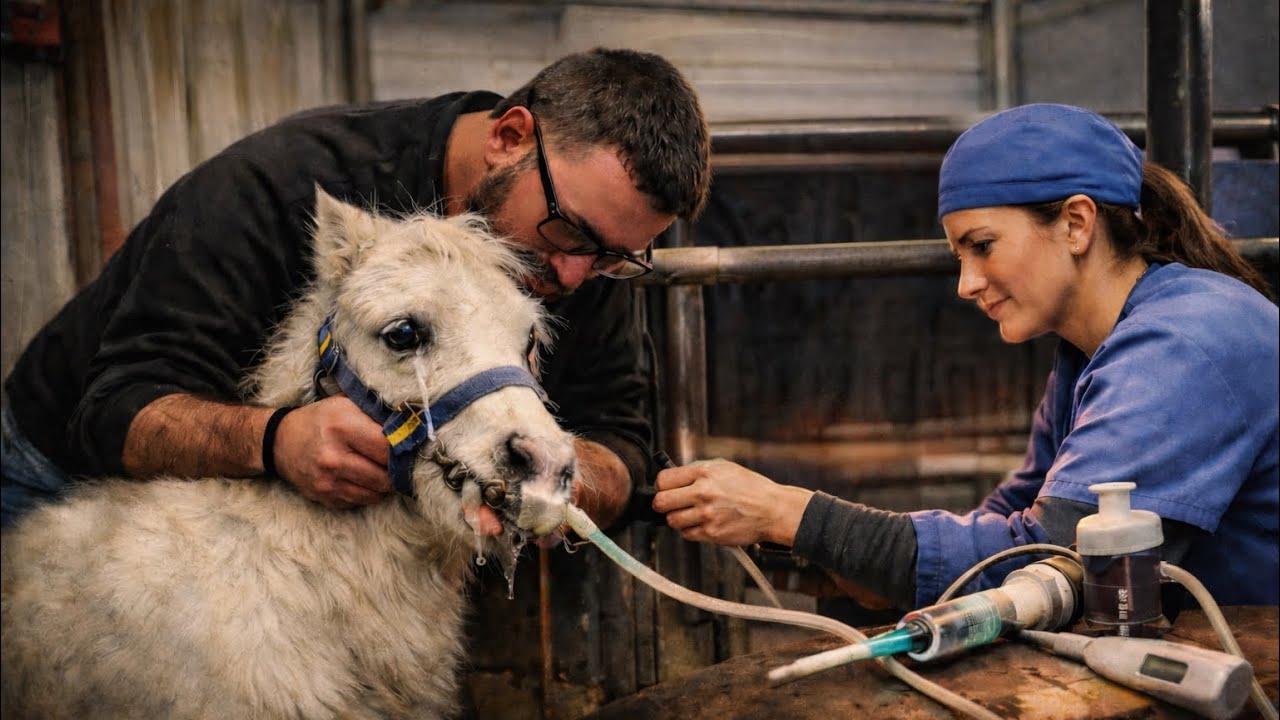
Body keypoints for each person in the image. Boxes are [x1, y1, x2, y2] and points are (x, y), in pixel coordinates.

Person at [1, 47, 711, 536]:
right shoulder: (279, 184)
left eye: (617, 258)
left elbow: (621, 440)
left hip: (278, 531)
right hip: (55, 476)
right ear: (510, 137)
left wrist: (554, 479)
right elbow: (116, 408)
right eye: (571, 234)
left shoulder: (580, 251)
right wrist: (276, 439)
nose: (577, 278)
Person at [653, 103, 1278, 612]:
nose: (966, 283)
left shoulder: (1185, 341)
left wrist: (790, 513)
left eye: (983, 246)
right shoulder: (1087, 352)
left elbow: (1051, 557)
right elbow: (1012, 515)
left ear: (1077, 223)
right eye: (960, 255)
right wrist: (872, 565)